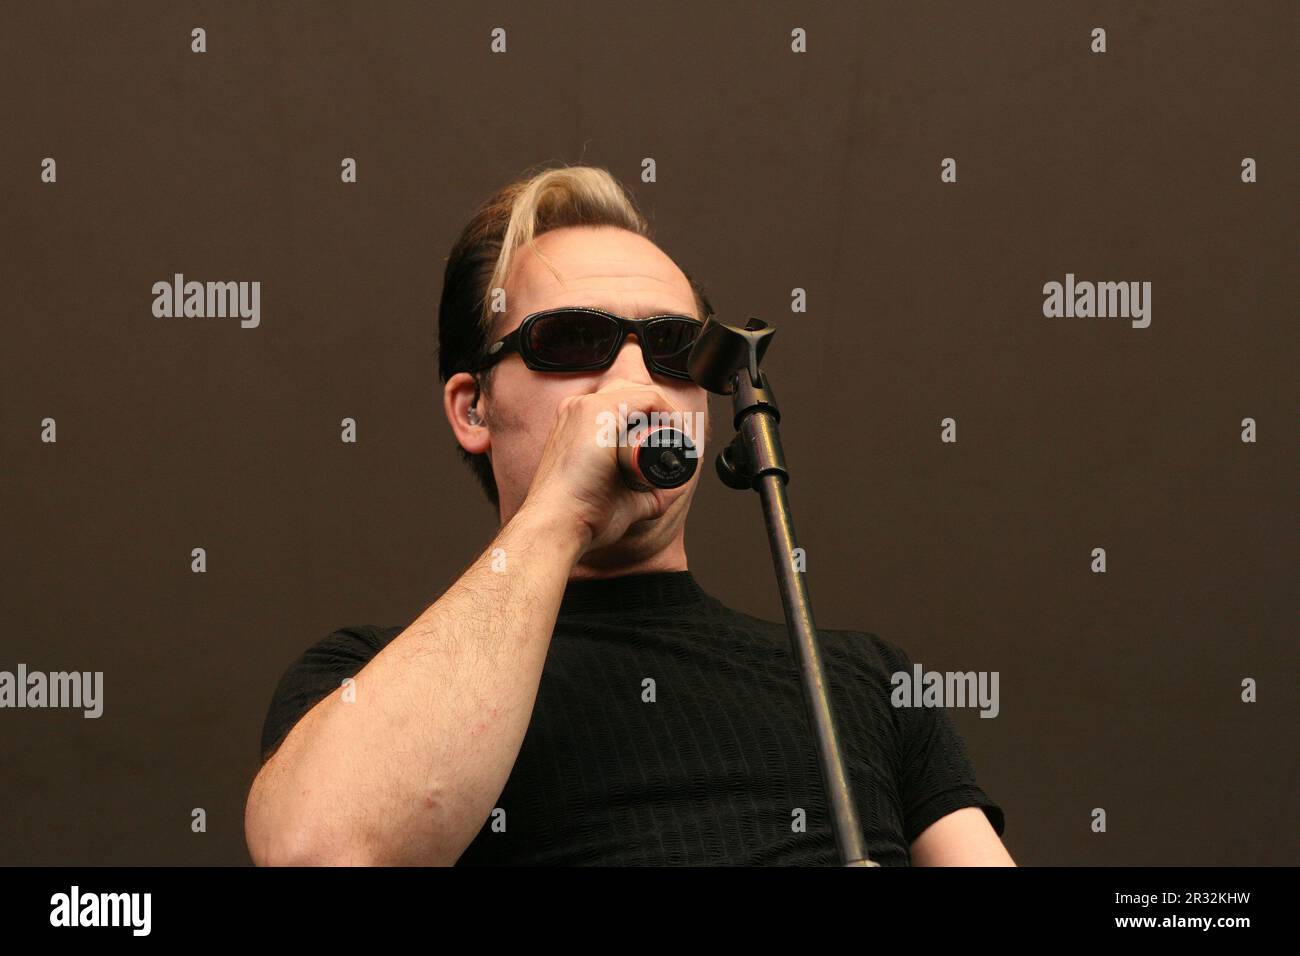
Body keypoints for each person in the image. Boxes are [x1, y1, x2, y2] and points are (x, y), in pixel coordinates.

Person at [243, 163, 1015, 867]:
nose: (636, 379)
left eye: (676, 348)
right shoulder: (361, 675)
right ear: (473, 407)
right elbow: (322, 849)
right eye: (574, 340)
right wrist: (563, 508)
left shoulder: (860, 678)